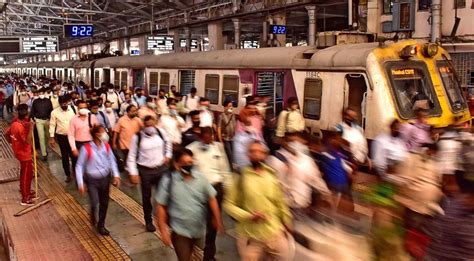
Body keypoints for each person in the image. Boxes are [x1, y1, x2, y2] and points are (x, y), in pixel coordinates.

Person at [224, 141, 293, 260]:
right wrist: (248, 216)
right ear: (248, 155)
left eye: (259, 151)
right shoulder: (240, 176)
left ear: (264, 155)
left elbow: (280, 201)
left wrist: (287, 221)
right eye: (252, 151)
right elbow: (228, 205)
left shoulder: (271, 175)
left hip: (274, 232)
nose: (255, 154)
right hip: (250, 237)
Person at [156, 148, 224, 261]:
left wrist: (217, 218)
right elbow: (161, 206)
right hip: (180, 231)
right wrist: (163, 230)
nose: (189, 166)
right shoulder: (169, 181)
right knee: (184, 257)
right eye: (185, 163)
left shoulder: (200, 178)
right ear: (177, 164)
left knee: (191, 253)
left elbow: (212, 198)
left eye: (190, 163)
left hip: (198, 229)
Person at [186, 127, 231, 261]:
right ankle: (189, 247)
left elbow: (225, 169)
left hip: (216, 189)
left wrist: (227, 189)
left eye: (210, 138)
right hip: (199, 190)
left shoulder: (218, 148)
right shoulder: (192, 149)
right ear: (201, 137)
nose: (208, 140)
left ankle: (209, 254)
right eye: (205, 138)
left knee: (212, 224)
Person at [127, 115, 172, 232]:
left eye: (152, 125)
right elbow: (131, 155)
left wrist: (168, 155)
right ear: (143, 126)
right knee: (147, 197)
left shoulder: (161, 132)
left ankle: (165, 218)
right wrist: (133, 172)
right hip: (145, 171)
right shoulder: (137, 137)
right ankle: (148, 221)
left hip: (161, 169)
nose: (150, 128)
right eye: (147, 126)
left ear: (155, 123)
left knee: (163, 195)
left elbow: (168, 143)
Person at [75, 125, 121, 236]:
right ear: (96, 134)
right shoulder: (86, 149)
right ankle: (93, 213)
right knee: (95, 201)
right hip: (92, 180)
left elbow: (112, 161)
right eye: (102, 132)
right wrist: (81, 183)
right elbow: (79, 166)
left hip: (105, 178)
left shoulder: (106, 146)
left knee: (104, 202)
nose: (105, 134)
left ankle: (101, 225)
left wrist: (116, 175)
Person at [267, 132, 330, 211]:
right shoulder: (274, 160)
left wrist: (325, 193)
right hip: (282, 207)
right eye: (292, 141)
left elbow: (315, 179)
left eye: (300, 142)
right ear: (284, 142)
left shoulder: (306, 160)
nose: (296, 144)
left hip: (302, 208)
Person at [6, 104, 35, 205]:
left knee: (29, 173)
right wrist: (31, 128)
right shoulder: (20, 126)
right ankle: (25, 198)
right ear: (27, 114)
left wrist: (13, 142)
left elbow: (7, 134)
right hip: (24, 154)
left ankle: (26, 191)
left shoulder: (15, 123)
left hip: (20, 151)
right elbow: (27, 140)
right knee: (25, 175)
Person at [49, 96, 76, 182]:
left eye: (65, 103)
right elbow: (52, 125)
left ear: (68, 102)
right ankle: (67, 174)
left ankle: (75, 171)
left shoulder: (73, 109)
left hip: (73, 136)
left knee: (74, 155)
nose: (64, 105)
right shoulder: (54, 112)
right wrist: (52, 137)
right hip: (61, 137)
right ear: (59, 104)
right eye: (62, 104)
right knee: (65, 156)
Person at [68, 100, 98, 168]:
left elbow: (98, 131)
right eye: (81, 108)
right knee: (79, 165)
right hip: (79, 144)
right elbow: (71, 135)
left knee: (91, 164)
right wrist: (74, 148)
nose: (83, 109)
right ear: (78, 108)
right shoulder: (73, 119)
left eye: (84, 107)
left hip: (90, 144)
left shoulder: (92, 117)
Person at [30, 88, 53, 161]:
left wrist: (51, 120)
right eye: (39, 93)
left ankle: (45, 147)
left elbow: (51, 111)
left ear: (44, 93)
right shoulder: (35, 101)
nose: (41, 95)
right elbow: (32, 111)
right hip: (38, 121)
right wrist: (33, 119)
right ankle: (44, 154)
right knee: (41, 137)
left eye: (42, 93)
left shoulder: (48, 101)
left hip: (47, 120)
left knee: (47, 136)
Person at [217, 100, 236, 164]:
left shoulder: (233, 115)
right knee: (229, 154)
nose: (231, 107)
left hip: (232, 138)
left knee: (232, 154)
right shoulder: (221, 116)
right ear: (225, 107)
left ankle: (230, 166)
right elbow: (219, 128)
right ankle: (230, 168)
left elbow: (234, 125)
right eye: (229, 106)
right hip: (225, 138)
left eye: (232, 106)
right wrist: (220, 140)